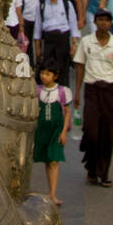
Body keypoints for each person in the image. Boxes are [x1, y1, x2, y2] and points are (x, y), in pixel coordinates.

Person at [73, 9, 113, 186]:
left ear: (110, 23)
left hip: (109, 91)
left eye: (107, 20)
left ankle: (103, 173)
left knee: (108, 133)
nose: (103, 23)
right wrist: (77, 92)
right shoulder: (86, 42)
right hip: (91, 89)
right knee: (91, 132)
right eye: (100, 20)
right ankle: (91, 167)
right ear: (95, 22)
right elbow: (80, 66)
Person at [33, 60, 72, 206]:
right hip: (42, 129)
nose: (44, 76)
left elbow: (67, 112)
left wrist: (63, 132)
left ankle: (53, 193)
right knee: (47, 159)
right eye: (42, 73)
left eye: (48, 74)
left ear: (55, 76)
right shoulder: (38, 91)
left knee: (54, 160)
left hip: (56, 129)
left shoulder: (62, 92)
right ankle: (51, 191)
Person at [35, 0, 79, 87]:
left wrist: (74, 44)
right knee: (47, 69)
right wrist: (38, 48)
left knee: (63, 69)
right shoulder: (42, 5)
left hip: (62, 40)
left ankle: (64, 96)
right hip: (49, 40)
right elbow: (38, 27)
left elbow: (73, 25)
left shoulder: (66, 4)